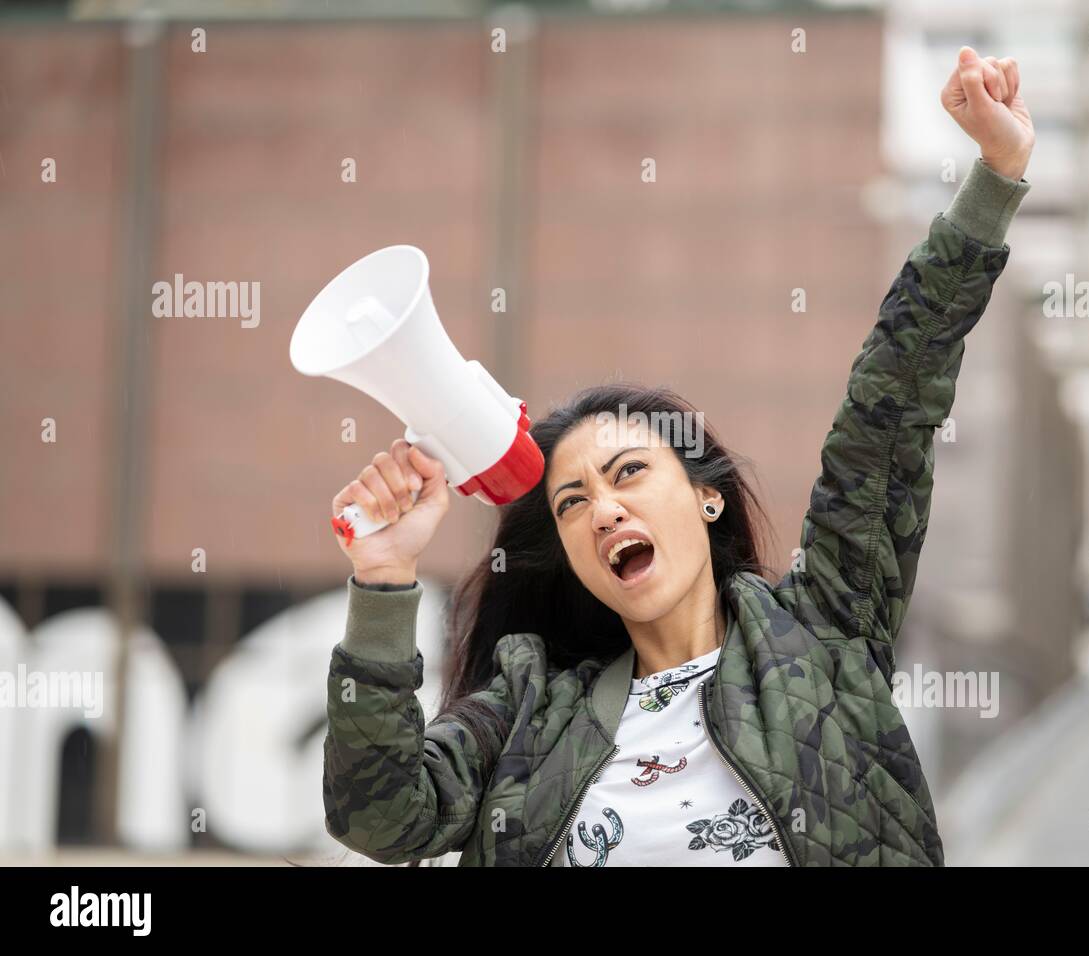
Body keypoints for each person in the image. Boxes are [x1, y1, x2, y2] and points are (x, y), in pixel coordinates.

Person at [321, 45, 1034, 866]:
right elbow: (378, 820)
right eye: (572, 503)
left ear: (708, 498)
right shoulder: (529, 709)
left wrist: (995, 174)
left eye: (628, 473)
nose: (605, 510)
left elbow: (894, 398)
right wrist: (380, 579)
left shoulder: (825, 631)